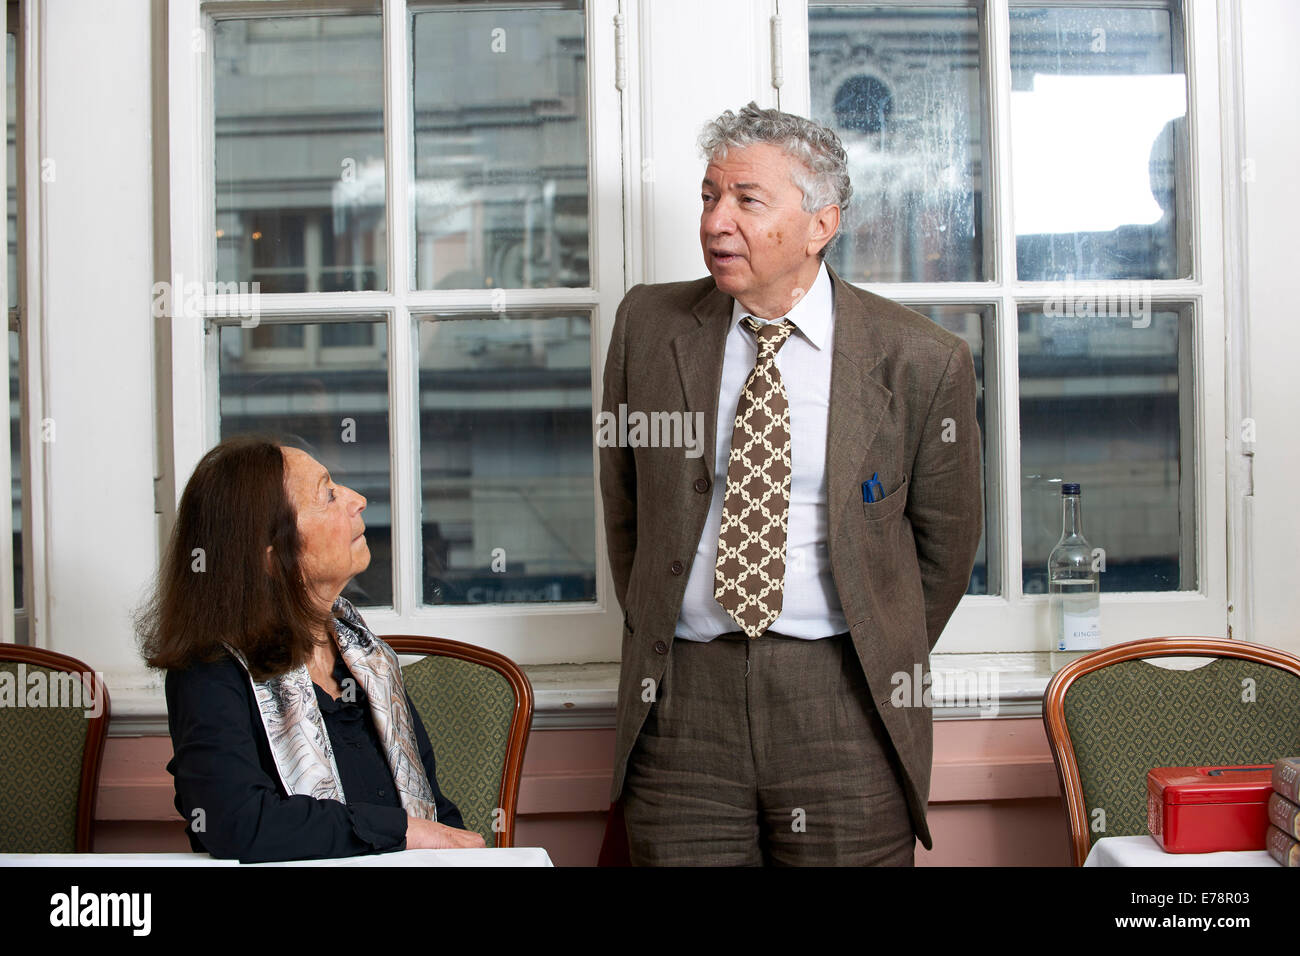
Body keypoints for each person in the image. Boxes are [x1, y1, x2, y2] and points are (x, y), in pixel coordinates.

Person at [599, 102, 982, 865]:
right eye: (709, 196)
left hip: (845, 706)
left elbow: (945, 550)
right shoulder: (648, 325)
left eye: (747, 200)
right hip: (681, 707)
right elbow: (626, 509)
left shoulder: (922, 360)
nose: (715, 222)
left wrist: (869, 645)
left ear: (820, 223)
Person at [137, 435, 485, 862]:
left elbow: (433, 813)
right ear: (272, 557)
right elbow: (235, 822)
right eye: (329, 495)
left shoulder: (367, 656)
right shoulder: (210, 668)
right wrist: (402, 831)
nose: (358, 500)